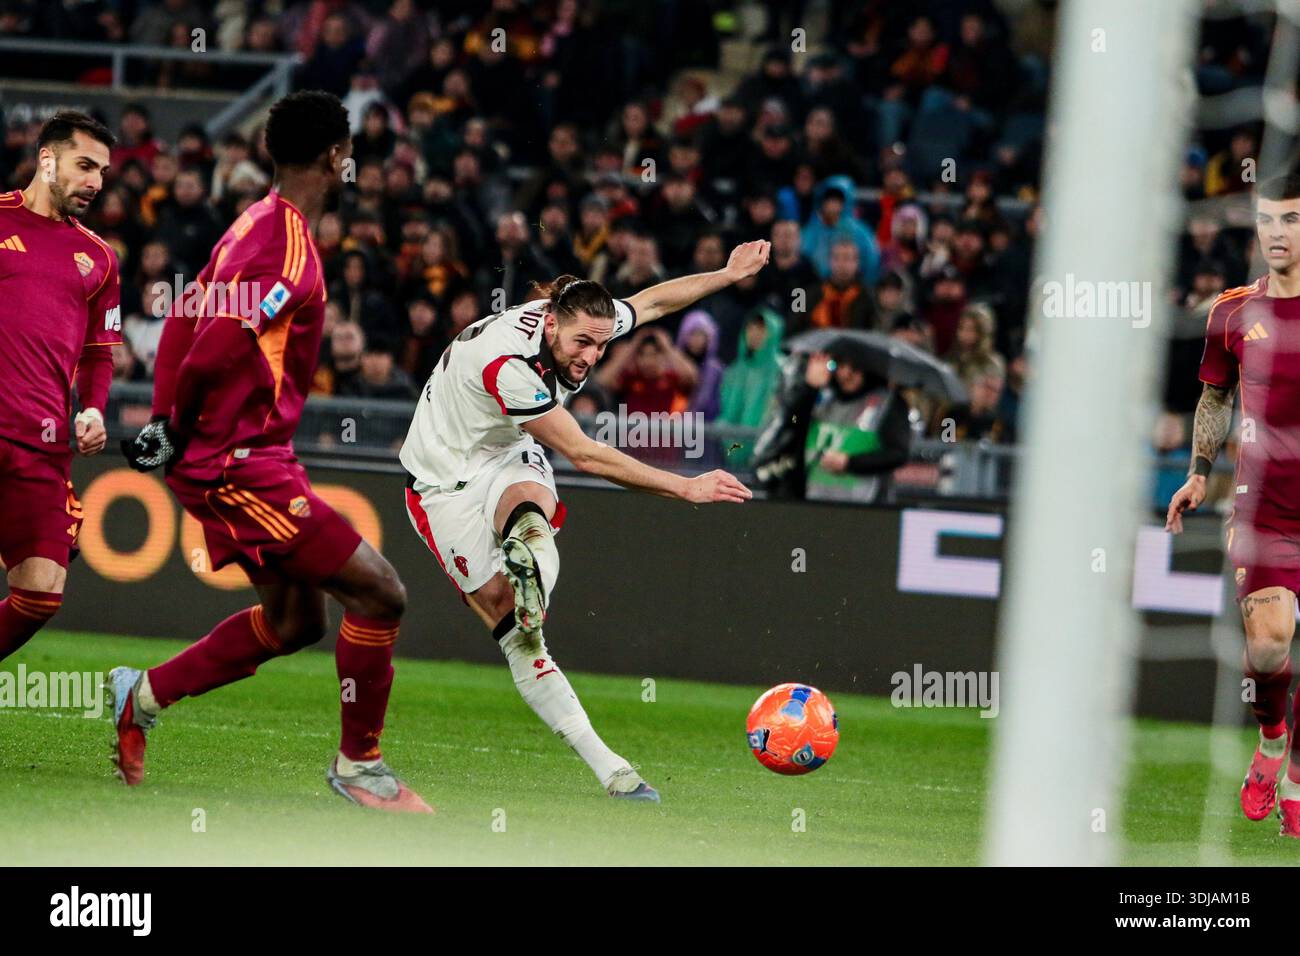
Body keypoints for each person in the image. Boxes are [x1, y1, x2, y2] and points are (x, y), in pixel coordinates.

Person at [113, 91, 431, 814]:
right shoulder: (288, 246)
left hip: (243, 454)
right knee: (381, 592)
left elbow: (184, 318)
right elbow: (215, 345)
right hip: (235, 461)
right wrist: (181, 424)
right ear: (335, 157)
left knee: (297, 623)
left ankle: (144, 694)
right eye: (349, 151)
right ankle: (361, 766)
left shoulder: (247, 226)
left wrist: (164, 421)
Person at [399, 242, 769, 801]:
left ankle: (612, 767)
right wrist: (684, 486)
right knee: (520, 638)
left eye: (601, 344)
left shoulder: (580, 319)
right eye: (583, 344)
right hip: (441, 483)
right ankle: (530, 579)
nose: (592, 357)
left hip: (503, 449)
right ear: (549, 326)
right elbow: (587, 455)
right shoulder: (511, 366)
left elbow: (653, 303)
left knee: (527, 504)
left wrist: (725, 274)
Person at [1167, 169, 1300, 836]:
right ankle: (1273, 739)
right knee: (1272, 648)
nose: (1277, 233)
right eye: (1268, 219)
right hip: (1265, 507)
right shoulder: (1232, 311)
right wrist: (1197, 472)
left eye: (1291, 219)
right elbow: (1215, 397)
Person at [0, 111, 119, 664]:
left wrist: (92, 408)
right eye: (85, 165)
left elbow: (99, 351)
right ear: (47, 160)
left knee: (41, 592)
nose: (95, 181)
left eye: (102, 171)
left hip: (43, 446)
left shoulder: (98, 258)